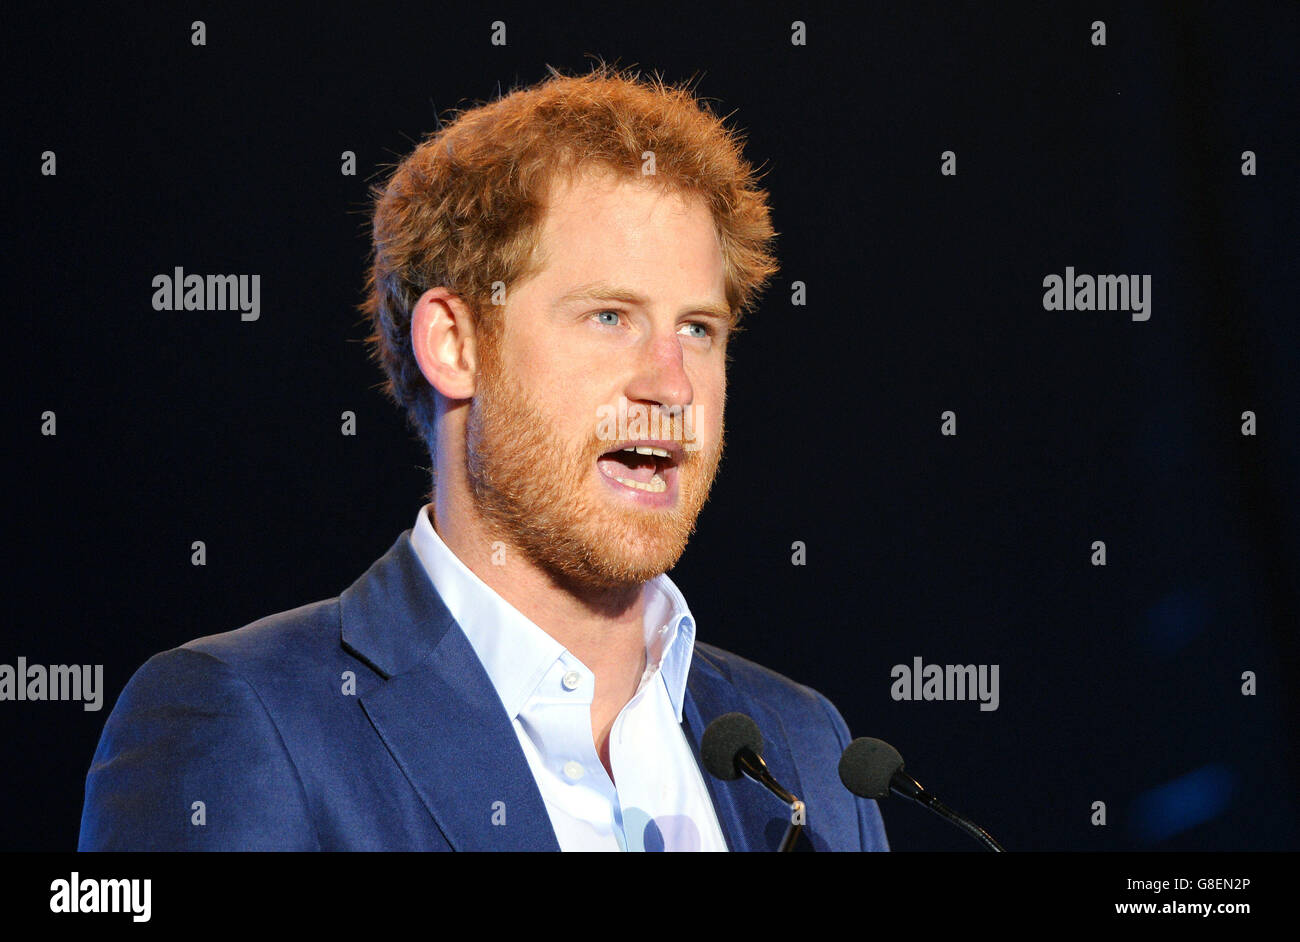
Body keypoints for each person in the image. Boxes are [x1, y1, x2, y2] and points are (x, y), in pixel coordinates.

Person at [77, 65, 889, 852]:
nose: (672, 385)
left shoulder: (808, 748)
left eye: (699, 329)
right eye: (610, 317)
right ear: (455, 344)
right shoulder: (242, 718)